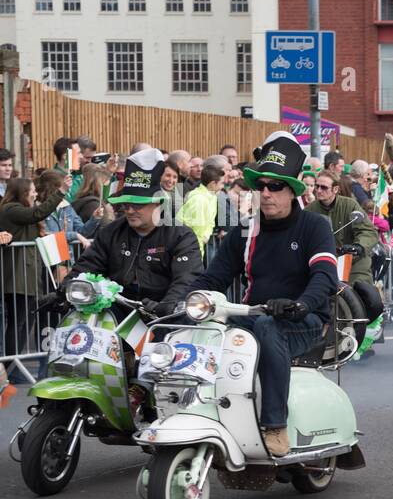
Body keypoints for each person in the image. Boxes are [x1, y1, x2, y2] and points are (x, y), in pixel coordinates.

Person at [187, 133, 337, 457]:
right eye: (261, 186)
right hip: (254, 317)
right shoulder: (245, 230)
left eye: (275, 186)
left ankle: (275, 424)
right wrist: (185, 300)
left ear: (293, 190)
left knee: (271, 328)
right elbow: (215, 277)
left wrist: (302, 304)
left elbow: (325, 275)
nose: (266, 193)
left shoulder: (315, 226)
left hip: (306, 320)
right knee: (212, 332)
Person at [59, 148, 201, 317]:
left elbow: (186, 279)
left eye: (138, 204)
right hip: (116, 316)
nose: (130, 210)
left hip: (162, 319)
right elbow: (87, 265)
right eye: (126, 204)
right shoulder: (112, 231)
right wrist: (61, 292)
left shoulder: (180, 236)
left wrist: (168, 304)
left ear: (157, 203)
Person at [1, 177, 66, 380]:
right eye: (31, 190)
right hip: (18, 278)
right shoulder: (11, 209)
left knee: (21, 322)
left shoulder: (16, 211)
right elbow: (39, 212)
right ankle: (11, 367)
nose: (35, 194)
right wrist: (61, 190)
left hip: (26, 276)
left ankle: (12, 367)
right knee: (18, 323)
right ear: (21, 192)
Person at [306, 169, 378, 285]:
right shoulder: (309, 210)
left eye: (323, 187)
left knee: (363, 290)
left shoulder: (350, 205)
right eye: (317, 186)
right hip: (323, 261)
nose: (318, 190)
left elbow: (367, 230)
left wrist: (358, 246)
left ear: (335, 189)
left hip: (353, 261)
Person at [177, 156, 228, 254]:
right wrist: (198, 252)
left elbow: (210, 222)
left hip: (195, 245)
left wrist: (207, 235)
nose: (223, 186)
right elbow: (196, 229)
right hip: (187, 246)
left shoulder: (212, 197)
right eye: (221, 183)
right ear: (213, 183)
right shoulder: (198, 199)